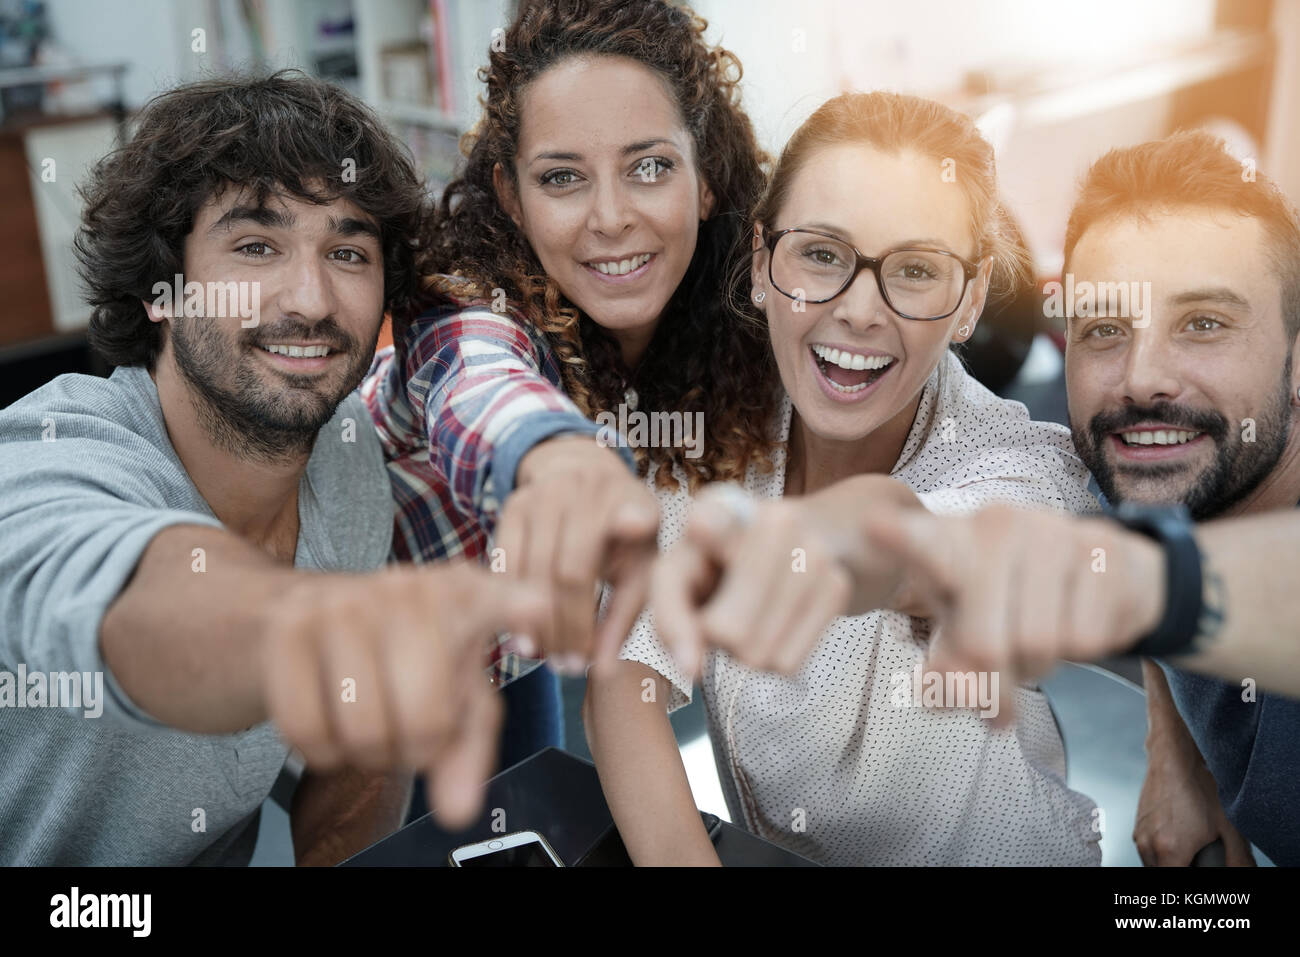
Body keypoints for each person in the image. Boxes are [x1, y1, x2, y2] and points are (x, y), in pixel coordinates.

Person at [0, 72, 545, 865]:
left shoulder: (347, 461)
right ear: (162, 287)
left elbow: (355, 765)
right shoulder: (51, 451)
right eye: (256, 246)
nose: (312, 298)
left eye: (348, 250)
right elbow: (134, 602)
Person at [586, 91, 1104, 866]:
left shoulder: (1021, 466)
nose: (861, 310)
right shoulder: (715, 433)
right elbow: (624, 682)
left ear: (969, 301)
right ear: (762, 264)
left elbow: (922, 541)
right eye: (822, 255)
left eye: (918, 269)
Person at [361, 0, 776, 785]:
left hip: (509, 665)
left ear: (707, 179)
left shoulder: (714, 321)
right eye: (562, 179)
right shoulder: (466, 310)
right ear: (512, 197)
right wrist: (555, 461)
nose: (612, 218)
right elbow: (482, 386)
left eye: (649, 166)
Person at [863, 130, 1300, 867]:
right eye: (1104, 329)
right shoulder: (1147, 465)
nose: (1141, 378)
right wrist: (1173, 747)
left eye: (1203, 323)